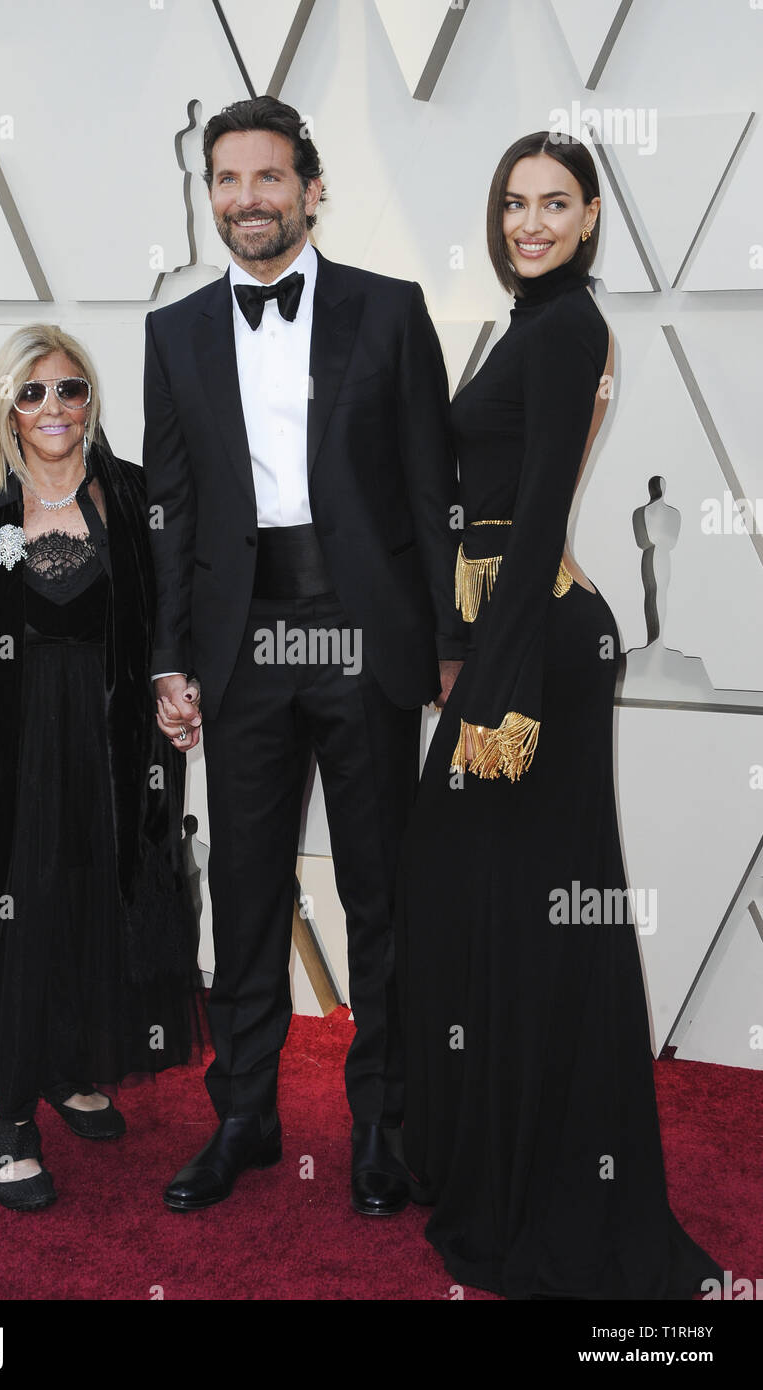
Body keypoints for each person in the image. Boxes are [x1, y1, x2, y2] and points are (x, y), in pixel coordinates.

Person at [396, 132, 723, 1297]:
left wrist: (499, 689)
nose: (528, 222)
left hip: (538, 655)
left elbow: (536, 517)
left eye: (553, 204)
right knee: (500, 922)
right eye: (512, 204)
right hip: (507, 642)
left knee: (542, 931)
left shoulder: (572, 324)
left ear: (589, 218)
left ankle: (560, 1194)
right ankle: (504, 1161)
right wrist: (458, 646)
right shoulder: (531, 328)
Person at [143, 96, 464, 1214]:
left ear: (310, 188)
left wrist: (447, 645)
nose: (245, 200)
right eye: (225, 180)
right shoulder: (173, 331)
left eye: (267, 178)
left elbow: (431, 490)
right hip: (240, 648)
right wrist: (166, 659)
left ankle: (382, 1124)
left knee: (379, 891)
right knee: (245, 888)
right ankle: (244, 1116)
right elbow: (172, 511)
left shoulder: (387, 310)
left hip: (361, 636)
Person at [0, 325, 200, 1211]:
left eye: (69, 389)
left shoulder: (132, 499)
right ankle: (12, 1118)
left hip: (108, 756)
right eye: (32, 392)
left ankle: (66, 1066)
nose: (53, 408)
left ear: (91, 401)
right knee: (18, 916)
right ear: (5, 410)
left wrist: (183, 689)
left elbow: (174, 618)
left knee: (92, 908)